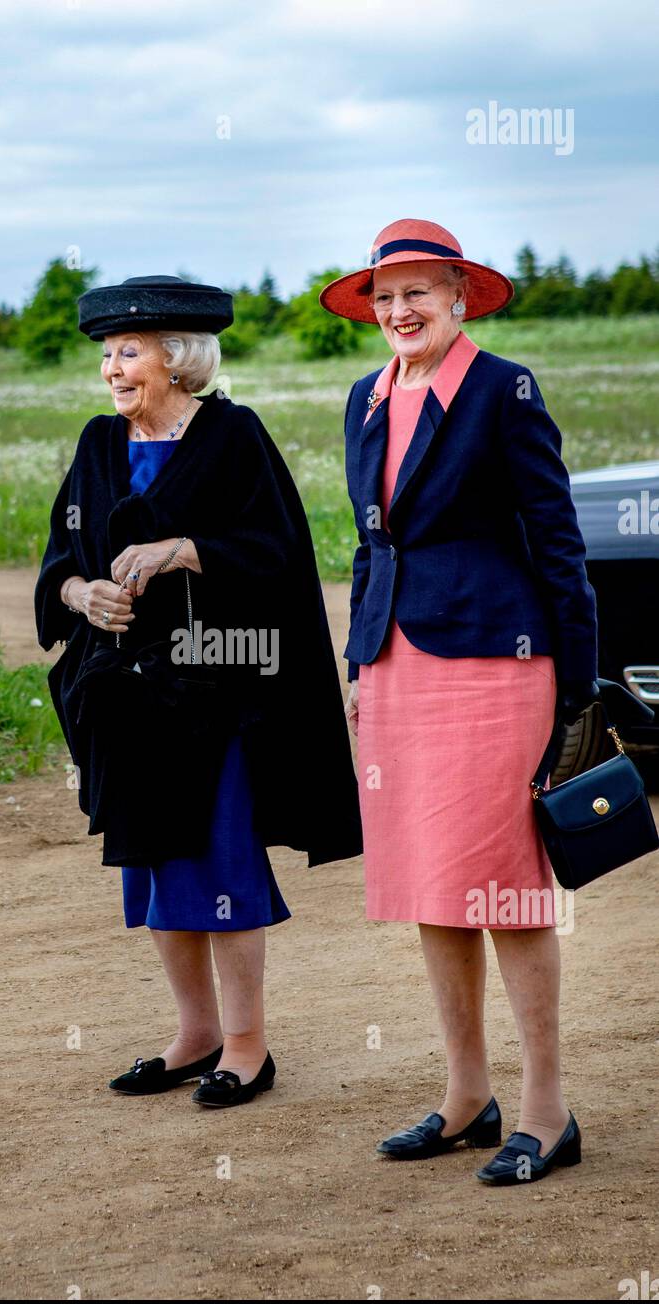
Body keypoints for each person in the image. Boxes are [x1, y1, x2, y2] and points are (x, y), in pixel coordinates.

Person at [35, 274, 362, 1110]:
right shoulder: (97, 445)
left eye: (129, 352)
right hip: (124, 697)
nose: (113, 369)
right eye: (108, 354)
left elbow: (279, 553)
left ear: (177, 360)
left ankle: (248, 1046)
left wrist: (183, 547)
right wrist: (82, 596)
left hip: (217, 687)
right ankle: (193, 1034)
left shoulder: (232, 436)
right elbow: (57, 564)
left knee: (219, 858)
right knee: (149, 866)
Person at [321, 220, 599, 1185]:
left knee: (506, 887)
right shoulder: (365, 397)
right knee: (433, 884)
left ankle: (546, 1112)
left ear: (459, 296)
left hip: (497, 662)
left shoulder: (502, 388)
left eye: (419, 293)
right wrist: (362, 664)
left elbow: (557, 541)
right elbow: (370, 545)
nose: (400, 311)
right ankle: (467, 1097)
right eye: (384, 296)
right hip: (400, 664)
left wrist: (581, 684)